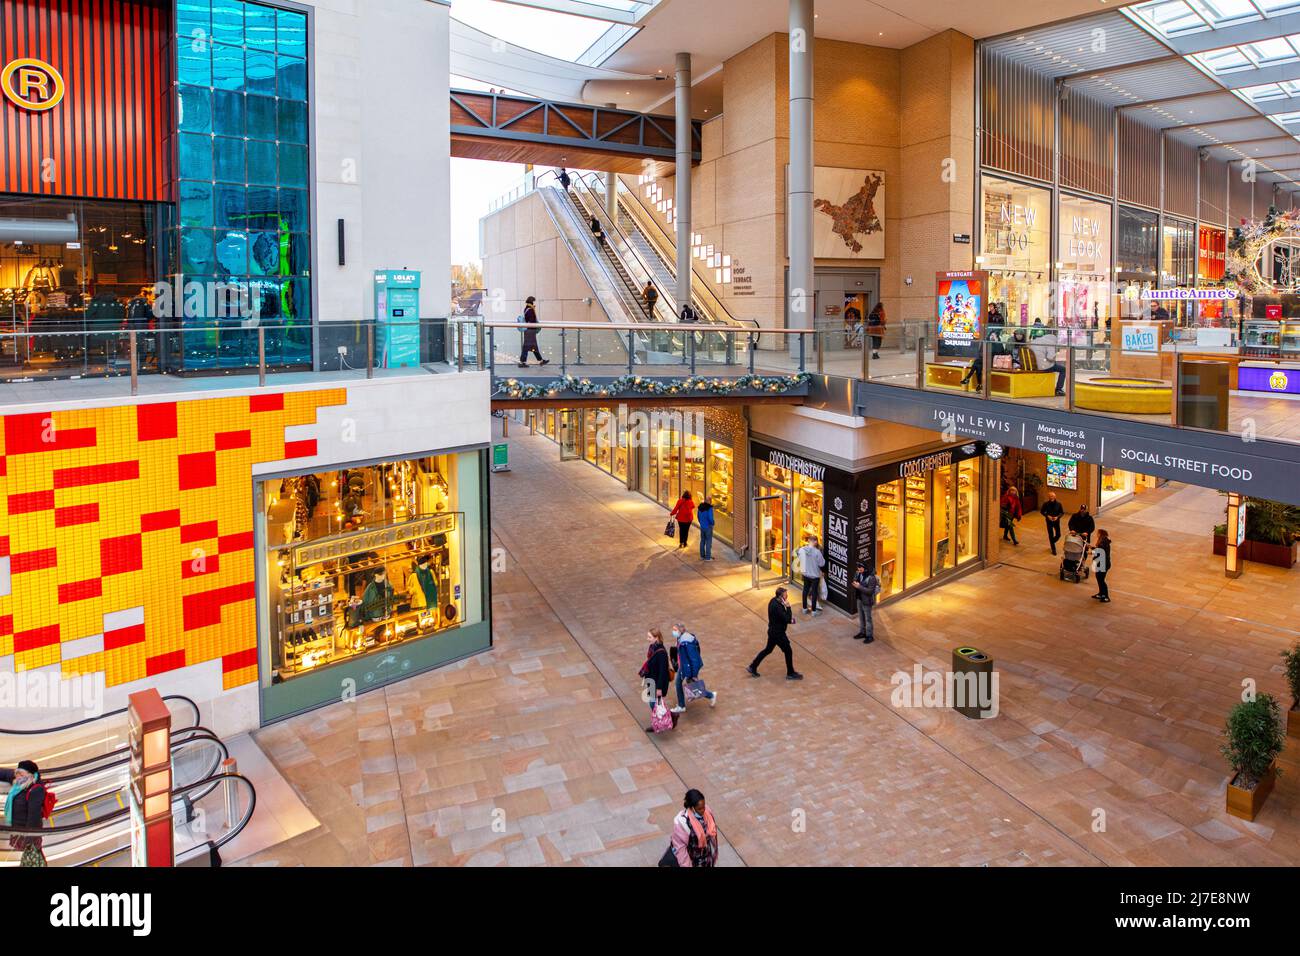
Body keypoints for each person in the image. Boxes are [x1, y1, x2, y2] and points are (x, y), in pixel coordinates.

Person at [747, 586, 802, 680]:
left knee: (768, 650)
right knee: (788, 651)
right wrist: (788, 608)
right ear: (781, 597)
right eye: (785, 594)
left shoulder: (773, 601)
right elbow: (787, 619)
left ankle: (753, 666)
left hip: (772, 631)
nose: (787, 596)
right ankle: (790, 673)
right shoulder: (777, 607)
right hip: (778, 633)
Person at [2, 760, 47, 863]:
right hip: (19, 830)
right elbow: (5, 774)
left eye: (21, 774)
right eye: (17, 773)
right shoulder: (19, 784)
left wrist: (29, 840)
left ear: (30, 775)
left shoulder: (35, 789)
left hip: (28, 834)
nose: (17, 776)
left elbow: (34, 818)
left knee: (33, 858)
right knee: (31, 859)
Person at [666, 789, 719, 867]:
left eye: (703, 806)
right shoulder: (682, 824)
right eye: (699, 809)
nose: (703, 810)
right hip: (692, 861)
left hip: (706, 858)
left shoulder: (707, 812)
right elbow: (680, 850)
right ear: (691, 808)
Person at [671, 624, 717, 713]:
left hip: (688, 667)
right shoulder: (681, 638)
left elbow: (694, 659)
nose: (673, 631)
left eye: (675, 630)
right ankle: (681, 705)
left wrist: (693, 674)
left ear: (680, 631)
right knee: (681, 684)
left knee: (695, 687)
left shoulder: (686, 642)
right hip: (684, 666)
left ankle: (711, 695)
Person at [639, 628, 672, 732]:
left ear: (656, 638)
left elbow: (663, 672)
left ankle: (661, 722)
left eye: (649, 637)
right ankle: (661, 721)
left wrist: (659, 688)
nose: (647, 639)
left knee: (654, 703)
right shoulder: (652, 647)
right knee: (653, 703)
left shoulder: (661, 653)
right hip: (651, 680)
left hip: (657, 682)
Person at [1030, 328, 1067, 396]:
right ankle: (1058, 389)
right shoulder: (1050, 343)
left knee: (1054, 365)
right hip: (1043, 367)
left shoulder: (1034, 341)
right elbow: (1050, 358)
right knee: (1063, 369)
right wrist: (1055, 355)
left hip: (1032, 366)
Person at [851, 561, 881, 643]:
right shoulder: (858, 573)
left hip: (867, 601)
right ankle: (862, 632)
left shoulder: (871, 578)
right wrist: (854, 583)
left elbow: (870, 591)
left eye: (860, 567)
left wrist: (859, 586)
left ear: (865, 568)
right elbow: (854, 580)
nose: (858, 569)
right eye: (858, 567)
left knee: (868, 619)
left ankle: (869, 636)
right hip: (859, 599)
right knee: (861, 617)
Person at [795, 536, 825, 616]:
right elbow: (822, 564)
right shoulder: (817, 552)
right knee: (814, 592)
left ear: (808, 541)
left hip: (805, 574)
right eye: (816, 541)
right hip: (815, 575)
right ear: (815, 542)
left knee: (805, 590)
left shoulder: (802, 550)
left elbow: (798, 556)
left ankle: (804, 609)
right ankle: (814, 611)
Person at [518, 296, 549, 368]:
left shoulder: (527, 308)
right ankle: (522, 362)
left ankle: (540, 360)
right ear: (532, 302)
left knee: (533, 347)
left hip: (529, 331)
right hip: (530, 331)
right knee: (527, 346)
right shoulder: (530, 310)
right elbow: (532, 320)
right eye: (534, 302)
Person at [1040, 490, 1065, 556]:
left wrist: (1057, 517)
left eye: (1053, 496)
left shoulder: (1059, 504)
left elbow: (1062, 513)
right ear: (1049, 497)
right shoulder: (1046, 504)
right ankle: (1053, 549)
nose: (1051, 497)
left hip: (1056, 521)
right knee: (1050, 534)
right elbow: (1042, 511)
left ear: (1055, 497)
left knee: (1058, 534)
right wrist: (1047, 516)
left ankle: (1052, 542)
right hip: (1049, 521)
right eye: (1050, 496)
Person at [1092, 529, 1112, 603]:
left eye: (1098, 533)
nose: (1097, 534)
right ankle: (1101, 593)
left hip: (1103, 564)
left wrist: (1092, 552)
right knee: (1099, 579)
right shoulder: (1104, 542)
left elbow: (1100, 552)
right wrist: (1093, 548)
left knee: (1101, 580)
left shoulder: (1102, 543)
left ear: (1100, 534)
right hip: (1102, 563)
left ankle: (1106, 596)